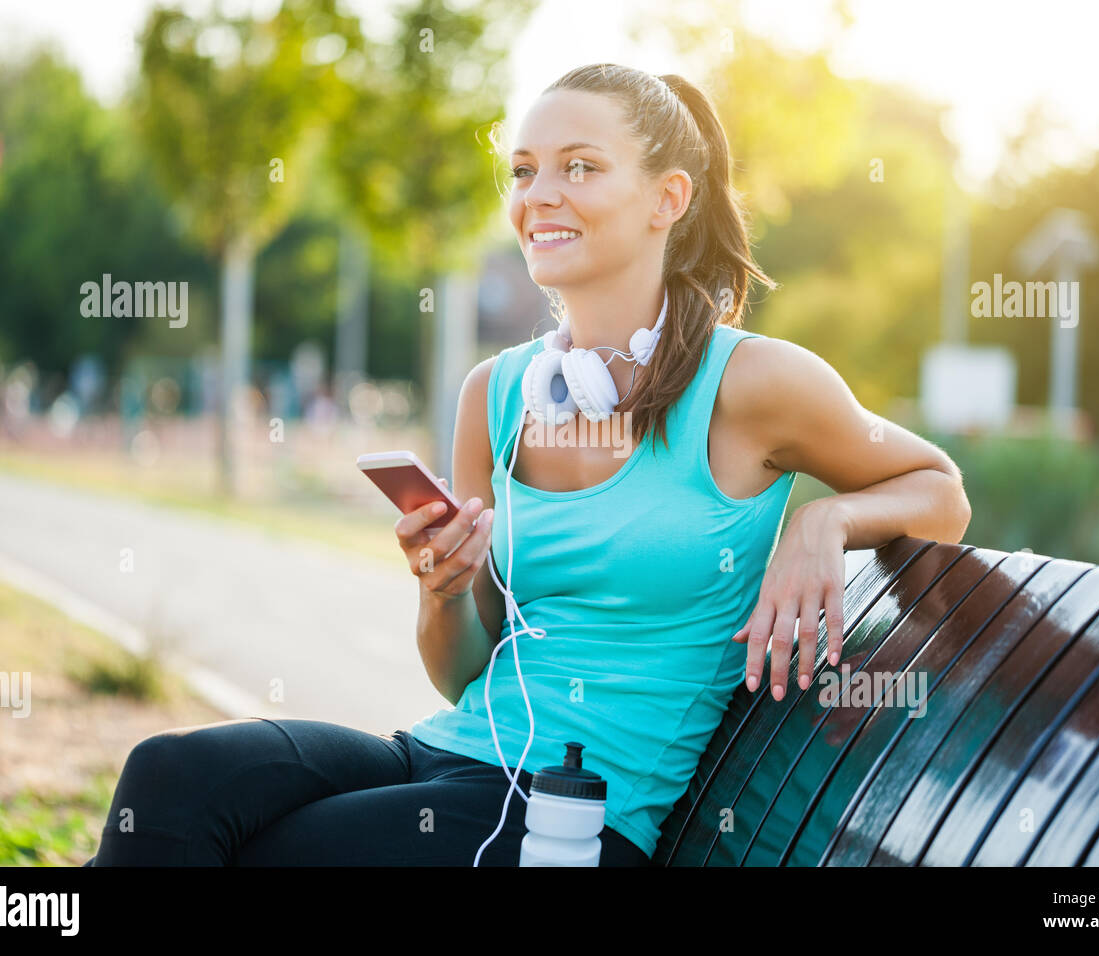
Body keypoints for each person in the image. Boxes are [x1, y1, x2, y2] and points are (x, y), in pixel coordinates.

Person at [85, 63, 970, 867]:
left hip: (576, 816)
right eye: (523, 170)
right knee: (170, 780)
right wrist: (442, 590)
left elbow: (940, 490)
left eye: (579, 167)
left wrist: (826, 520)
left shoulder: (753, 382)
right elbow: (459, 669)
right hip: (452, 754)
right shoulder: (496, 393)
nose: (539, 195)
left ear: (668, 198)